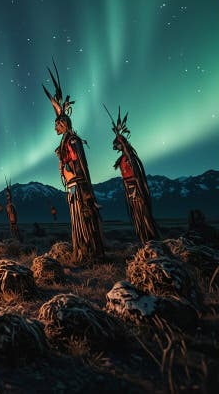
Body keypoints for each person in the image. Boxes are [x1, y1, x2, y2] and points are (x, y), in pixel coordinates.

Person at [42, 61, 104, 263]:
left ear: (63, 123)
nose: (55, 130)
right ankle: (83, 251)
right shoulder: (66, 142)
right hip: (72, 187)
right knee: (76, 219)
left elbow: (78, 164)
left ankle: (89, 252)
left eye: (56, 125)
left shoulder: (73, 141)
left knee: (82, 218)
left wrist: (68, 167)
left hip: (77, 186)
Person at [105, 106, 160, 244]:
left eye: (117, 145)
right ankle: (144, 240)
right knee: (136, 214)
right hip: (129, 187)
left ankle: (150, 240)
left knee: (141, 212)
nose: (115, 148)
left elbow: (136, 172)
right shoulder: (124, 158)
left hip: (134, 187)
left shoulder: (129, 157)